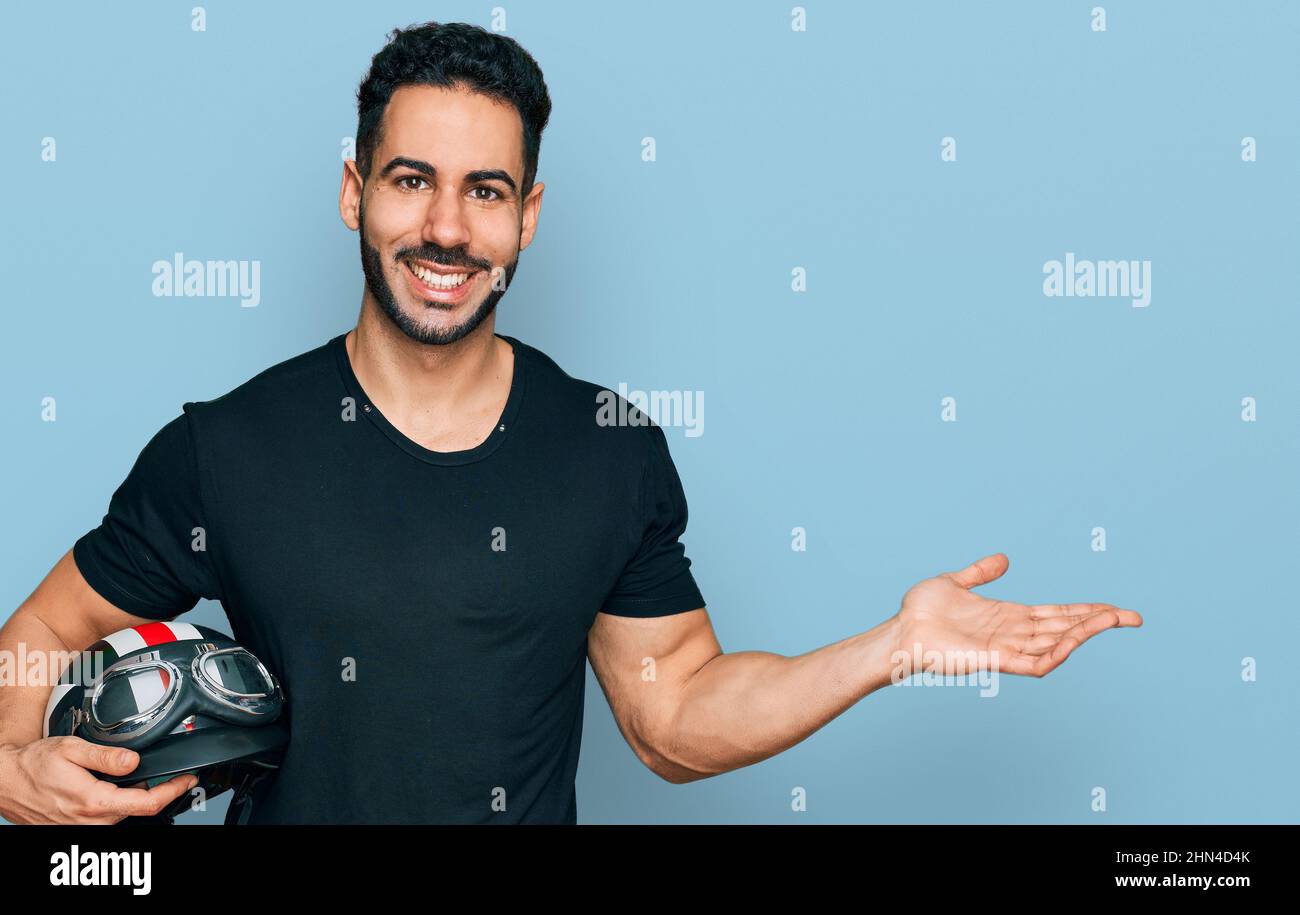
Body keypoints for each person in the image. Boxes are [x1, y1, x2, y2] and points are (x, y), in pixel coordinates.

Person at [0, 21, 1142, 825]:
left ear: (527, 216)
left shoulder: (608, 444)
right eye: (410, 180)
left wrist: (889, 652)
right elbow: (38, 643)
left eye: (485, 192)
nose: (445, 228)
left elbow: (676, 717)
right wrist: (12, 772)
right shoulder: (225, 447)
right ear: (354, 193)